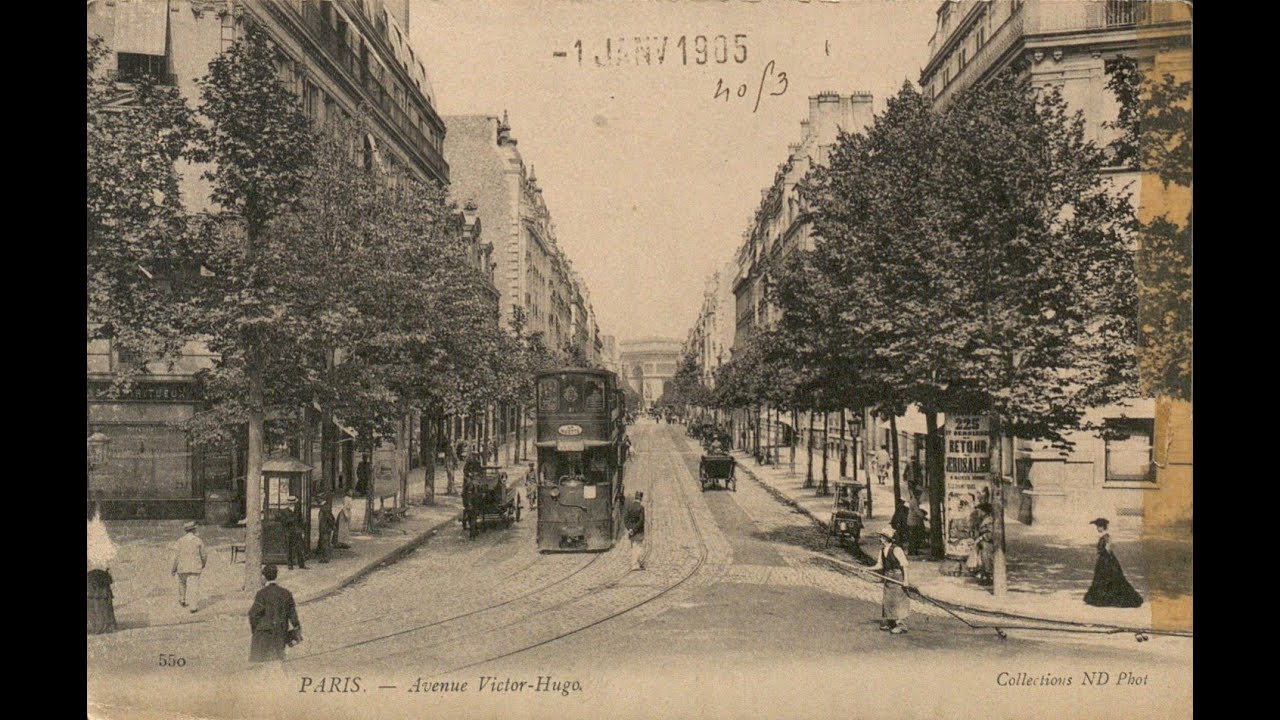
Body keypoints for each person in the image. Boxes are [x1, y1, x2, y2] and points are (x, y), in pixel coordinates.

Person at [1084, 518, 1144, 608]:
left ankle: (1106, 598)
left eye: (1098, 527)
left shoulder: (1106, 537)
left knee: (1110, 578)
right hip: (1104, 559)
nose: (1097, 529)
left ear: (1102, 527)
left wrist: (1105, 557)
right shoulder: (1104, 537)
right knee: (1103, 578)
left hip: (1106, 560)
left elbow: (1108, 549)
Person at [248, 564, 301, 663]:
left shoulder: (261, 594)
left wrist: (256, 630)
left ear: (264, 577)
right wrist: (296, 630)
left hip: (265, 635)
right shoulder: (286, 593)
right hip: (281, 633)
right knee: (278, 660)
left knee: (264, 662)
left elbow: (253, 614)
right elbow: (293, 615)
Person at [869, 528, 911, 634]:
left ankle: (901, 625)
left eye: (882, 537)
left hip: (897, 577)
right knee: (888, 600)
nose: (880, 539)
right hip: (888, 576)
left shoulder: (896, 549)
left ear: (887, 538)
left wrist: (906, 580)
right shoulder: (882, 550)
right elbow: (880, 565)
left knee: (898, 600)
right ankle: (891, 622)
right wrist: (868, 569)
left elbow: (905, 565)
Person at [172, 521, 207, 612]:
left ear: (185, 531)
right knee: (194, 586)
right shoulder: (198, 541)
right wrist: (203, 564)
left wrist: (174, 569)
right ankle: (193, 607)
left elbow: (176, 557)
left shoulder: (180, 541)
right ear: (194, 530)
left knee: (182, 583)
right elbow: (204, 555)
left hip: (182, 567)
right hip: (195, 567)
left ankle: (182, 599)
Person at [624, 490, 647, 571]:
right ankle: (635, 565)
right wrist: (634, 529)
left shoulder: (629, 507)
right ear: (641, 498)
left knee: (633, 547)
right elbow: (641, 521)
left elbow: (625, 519)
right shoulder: (641, 508)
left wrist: (630, 528)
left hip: (631, 532)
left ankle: (636, 563)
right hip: (639, 532)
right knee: (638, 548)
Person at [283, 502, 307, 570]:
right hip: (289, 532)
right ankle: (290, 565)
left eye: (293, 502)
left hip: (297, 531)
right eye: (290, 502)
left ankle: (301, 564)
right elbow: (284, 522)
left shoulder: (298, 511)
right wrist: (291, 519)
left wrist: (302, 530)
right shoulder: (284, 511)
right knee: (289, 549)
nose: (291, 504)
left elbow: (301, 521)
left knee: (299, 548)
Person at [315, 494, 334, 563]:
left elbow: (329, 518)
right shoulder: (324, 507)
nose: (317, 500)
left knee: (325, 543)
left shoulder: (324, 508)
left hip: (325, 528)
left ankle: (326, 557)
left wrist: (331, 526)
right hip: (324, 528)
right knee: (324, 542)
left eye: (318, 499)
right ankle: (324, 556)